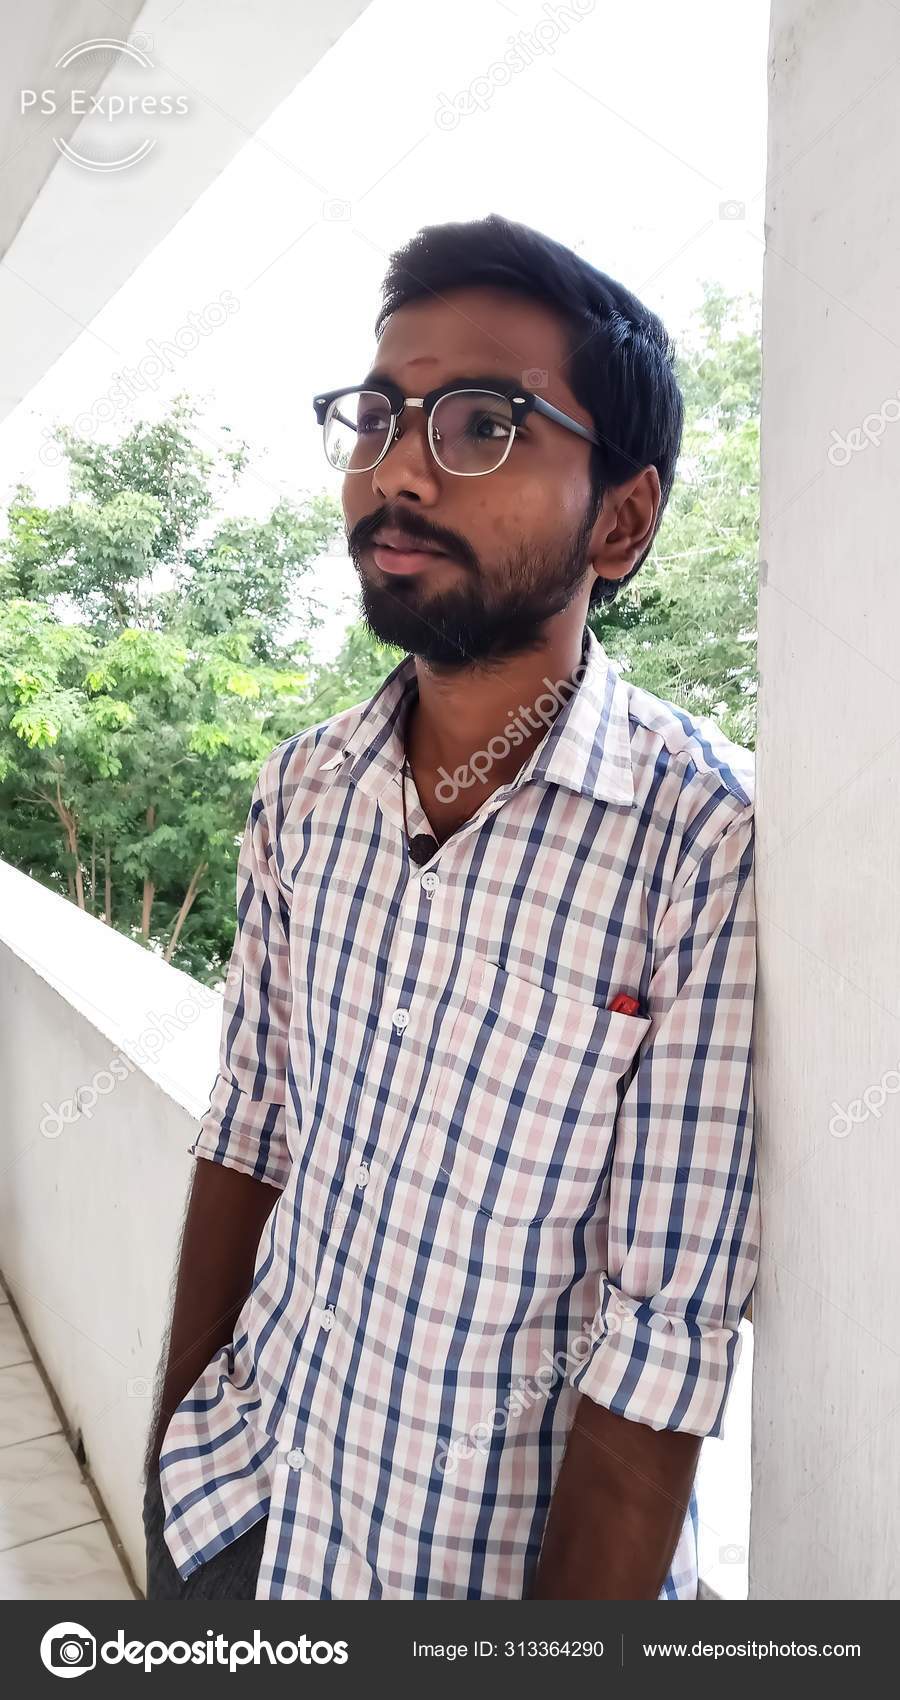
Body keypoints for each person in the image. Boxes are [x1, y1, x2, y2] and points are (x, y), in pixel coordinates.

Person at [144, 213, 758, 1601]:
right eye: (378, 415)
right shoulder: (305, 792)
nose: (399, 466)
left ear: (622, 517)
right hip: (237, 1519)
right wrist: (172, 1453)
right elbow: (250, 1134)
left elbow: (662, 1333)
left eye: (485, 423)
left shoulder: (700, 845)